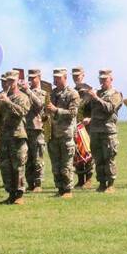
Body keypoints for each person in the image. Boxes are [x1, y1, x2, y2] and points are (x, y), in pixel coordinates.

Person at [0, 71, 31, 205]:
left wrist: (7, 102)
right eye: (7, 81)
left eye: (12, 81)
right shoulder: (2, 97)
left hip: (17, 136)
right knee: (5, 166)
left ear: (17, 81)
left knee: (18, 166)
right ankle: (11, 193)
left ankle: (19, 195)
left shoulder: (22, 97)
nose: (9, 83)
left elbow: (22, 112)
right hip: (4, 136)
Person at [82, 69, 123, 193]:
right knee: (98, 158)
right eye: (101, 79)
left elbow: (110, 108)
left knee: (108, 158)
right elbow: (86, 108)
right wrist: (88, 97)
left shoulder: (115, 94)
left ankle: (110, 184)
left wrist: (96, 98)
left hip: (108, 131)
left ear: (111, 79)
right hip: (95, 130)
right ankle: (101, 183)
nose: (102, 82)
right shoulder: (97, 92)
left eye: (105, 79)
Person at [43, 68, 81, 197]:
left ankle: (68, 190)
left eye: (58, 77)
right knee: (55, 165)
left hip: (66, 134)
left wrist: (56, 110)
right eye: (54, 77)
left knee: (66, 165)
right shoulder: (52, 93)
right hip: (52, 134)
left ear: (65, 77)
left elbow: (73, 113)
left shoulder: (73, 93)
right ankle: (59, 189)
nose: (55, 79)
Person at [23, 68, 47, 192]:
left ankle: (38, 183)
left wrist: (28, 91)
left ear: (39, 78)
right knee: (27, 158)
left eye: (33, 78)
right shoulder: (26, 92)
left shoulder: (42, 93)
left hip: (36, 129)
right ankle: (30, 182)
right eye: (29, 78)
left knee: (37, 157)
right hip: (25, 128)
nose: (31, 80)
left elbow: (40, 105)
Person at [70, 66, 95, 188]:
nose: (76, 77)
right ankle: (80, 180)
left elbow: (95, 109)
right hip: (76, 126)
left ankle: (88, 179)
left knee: (88, 152)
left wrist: (90, 118)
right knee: (77, 152)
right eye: (74, 75)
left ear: (83, 75)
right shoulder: (73, 91)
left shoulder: (89, 91)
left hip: (87, 126)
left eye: (78, 75)